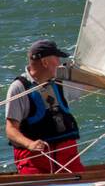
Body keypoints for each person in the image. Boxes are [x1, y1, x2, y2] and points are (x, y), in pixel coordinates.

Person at [6, 40, 86, 175]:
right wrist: (29, 144)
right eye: (57, 59)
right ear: (45, 62)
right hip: (36, 162)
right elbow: (11, 129)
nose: (59, 63)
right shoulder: (19, 88)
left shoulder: (62, 82)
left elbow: (93, 85)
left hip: (67, 159)